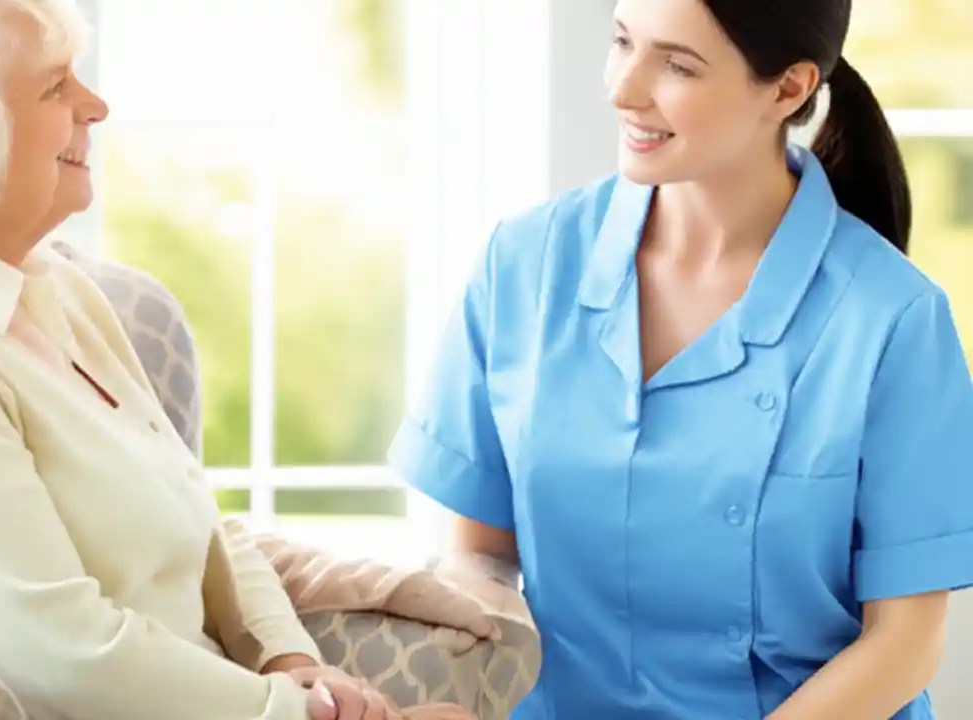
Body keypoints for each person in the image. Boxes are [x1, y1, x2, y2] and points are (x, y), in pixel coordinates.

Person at [0, 1, 475, 718]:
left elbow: (204, 524)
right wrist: (292, 712)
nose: (96, 105)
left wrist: (291, 661)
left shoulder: (59, 290)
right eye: (55, 88)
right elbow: (47, 648)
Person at [390, 0, 973, 718]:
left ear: (789, 88)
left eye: (676, 64)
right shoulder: (526, 265)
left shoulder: (891, 319)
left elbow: (906, 643)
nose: (622, 88)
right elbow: (481, 553)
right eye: (622, 41)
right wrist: (464, 676)